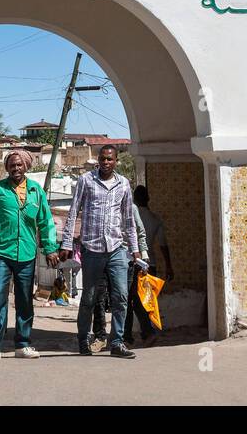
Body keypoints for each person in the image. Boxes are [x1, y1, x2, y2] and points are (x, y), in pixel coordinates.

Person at [0, 149, 60, 360]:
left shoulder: (35, 191)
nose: (16, 168)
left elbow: (45, 222)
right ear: (7, 168)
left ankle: (22, 344)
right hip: (0, 252)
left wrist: (50, 248)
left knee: (24, 300)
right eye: (12, 165)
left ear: (26, 166)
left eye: (19, 165)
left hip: (27, 254)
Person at [58, 144, 143, 358]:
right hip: (92, 248)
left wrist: (136, 250)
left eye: (110, 159)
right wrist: (67, 243)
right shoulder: (86, 180)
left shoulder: (123, 184)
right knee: (89, 296)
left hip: (117, 249)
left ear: (116, 161)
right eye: (103, 159)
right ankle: (83, 339)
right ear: (98, 160)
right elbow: (73, 211)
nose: (106, 162)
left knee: (121, 296)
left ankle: (116, 342)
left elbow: (129, 220)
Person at [90, 198, 149, 351]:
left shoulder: (132, 208)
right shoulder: (99, 204)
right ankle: (100, 336)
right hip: (101, 255)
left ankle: (124, 337)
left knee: (123, 298)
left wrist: (143, 256)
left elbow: (140, 232)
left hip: (126, 259)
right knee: (99, 297)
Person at [125, 185, 174, 347]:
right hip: (151, 264)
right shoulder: (155, 219)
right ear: (148, 198)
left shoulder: (131, 213)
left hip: (135, 263)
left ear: (135, 198)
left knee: (132, 299)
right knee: (146, 300)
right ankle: (142, 332)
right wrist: (169, 266)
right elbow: (163, 244)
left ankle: (144, 332)